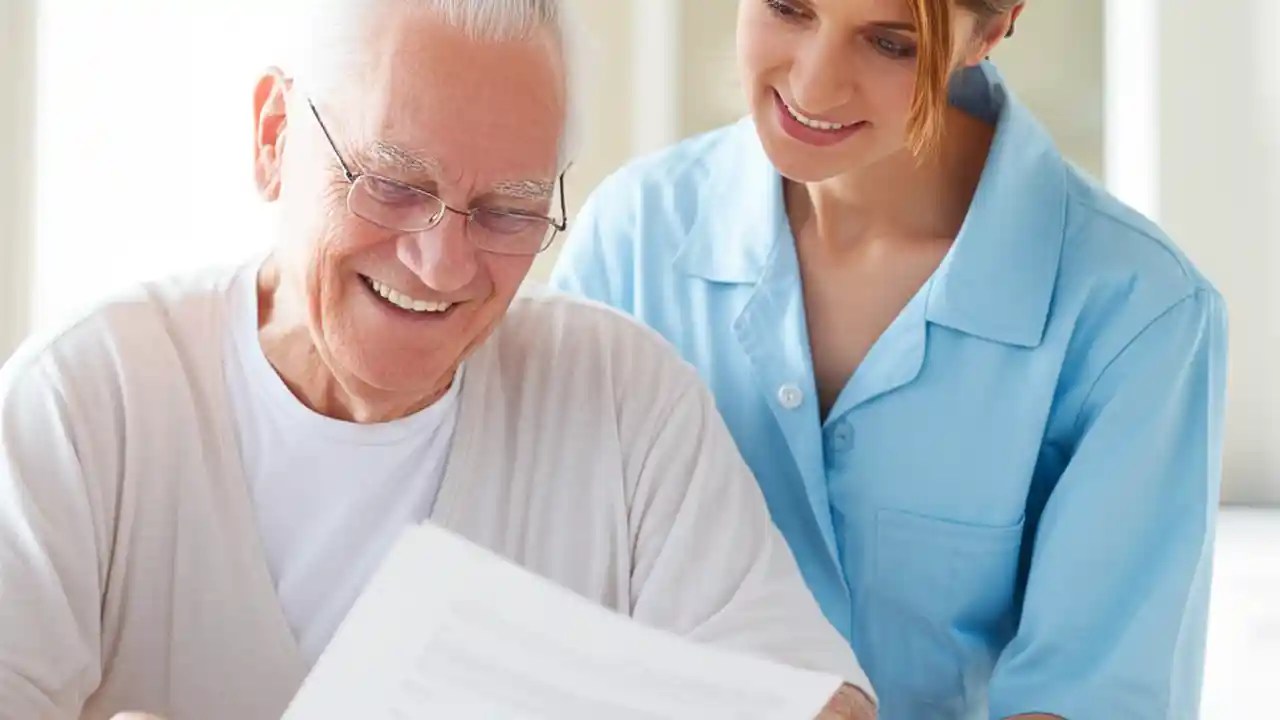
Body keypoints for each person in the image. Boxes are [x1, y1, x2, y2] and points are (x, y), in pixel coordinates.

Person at [0, 1, 877, 718]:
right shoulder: (90, 401)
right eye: (393, 184)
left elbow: (813, 697)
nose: (442, 264)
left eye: (508, 211)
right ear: (274, 137)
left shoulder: (620, 397)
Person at [551, 0, 1229, 718]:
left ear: (993, 28)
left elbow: (1089, 697)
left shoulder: (1141, 316)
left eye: (889, 44)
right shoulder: (634, 241)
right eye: (789, 8)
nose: (814, 87)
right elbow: (547, 603)